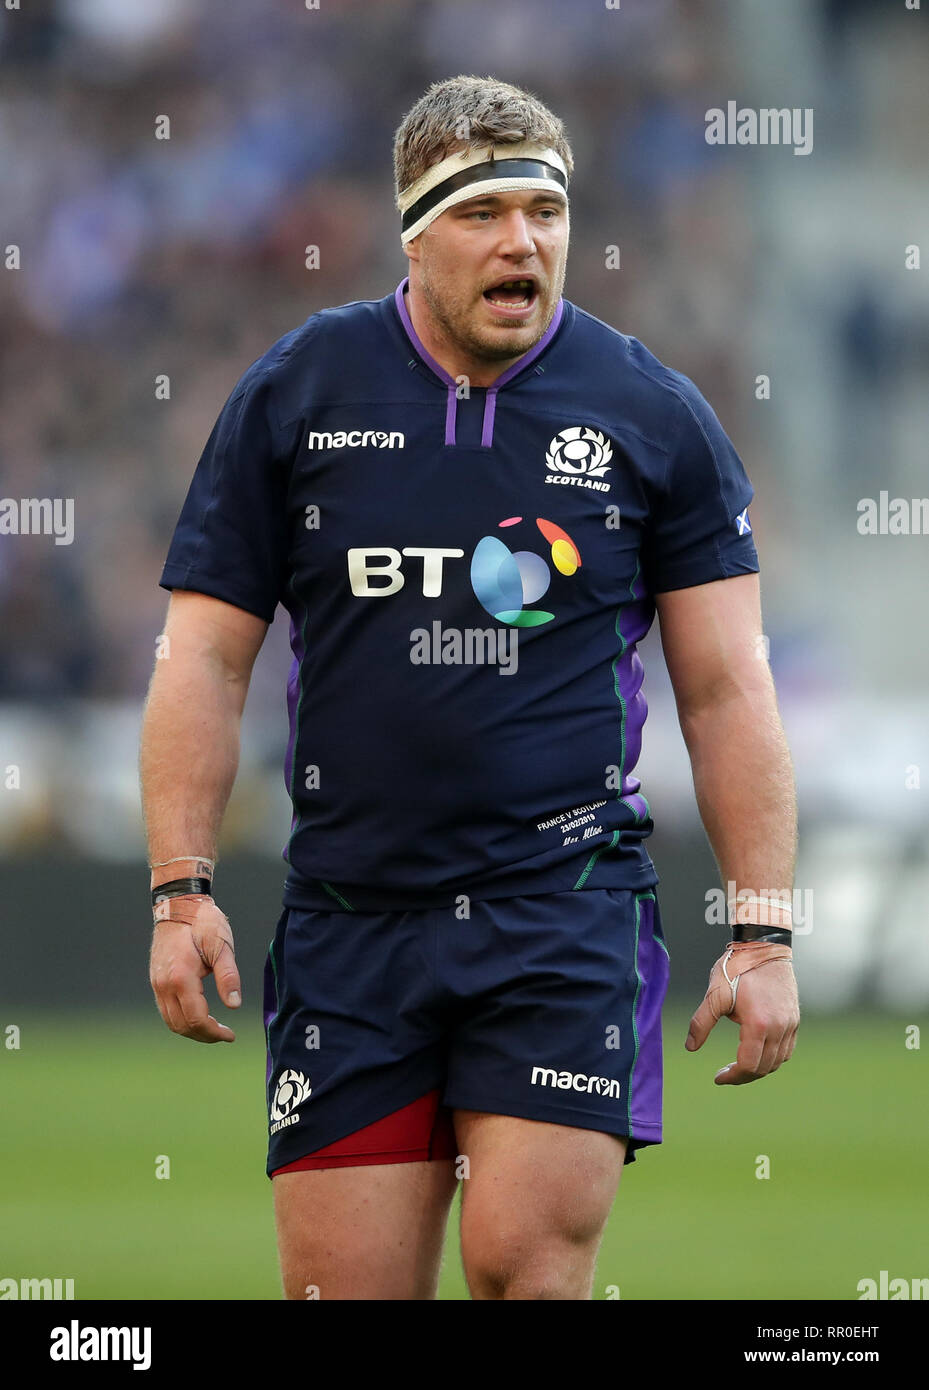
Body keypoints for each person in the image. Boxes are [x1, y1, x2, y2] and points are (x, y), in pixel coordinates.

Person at [140, 74, 799, 1301]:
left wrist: (760, 925)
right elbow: (203, 659)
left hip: (562, 913)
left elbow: (726, 690)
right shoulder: (296, 395)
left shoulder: (650, 414)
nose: (523, 243)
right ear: (413, 231)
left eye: (543, 213)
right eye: (483, 213)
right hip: (351, 920)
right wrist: (181, 890)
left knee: (524, 1271)